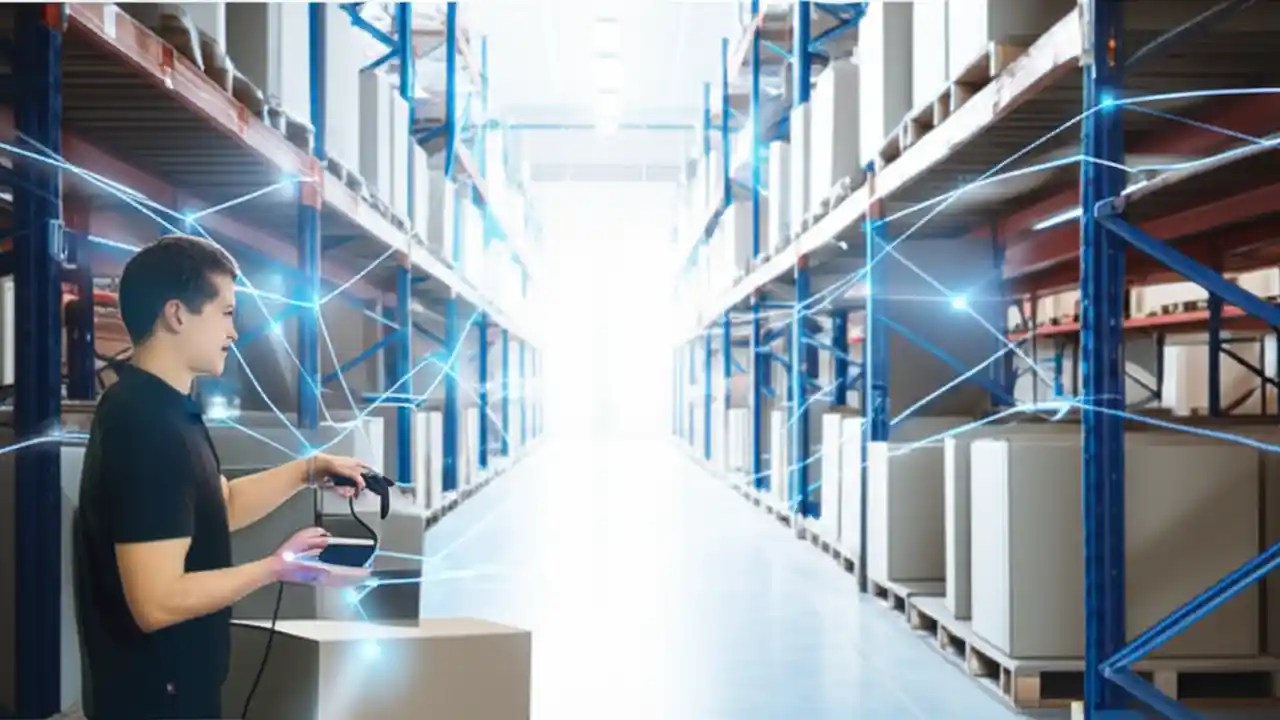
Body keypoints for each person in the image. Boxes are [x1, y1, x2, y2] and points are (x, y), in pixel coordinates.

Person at [75, 235, 371, 719]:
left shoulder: (167, 409)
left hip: (175, 686)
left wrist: (307, 470)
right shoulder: (145, 426)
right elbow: (157, 601)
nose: (234, 332)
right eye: (226, 313)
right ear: (177, 314)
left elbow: (218, 506)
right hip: (152, 698)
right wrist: (276, 566)